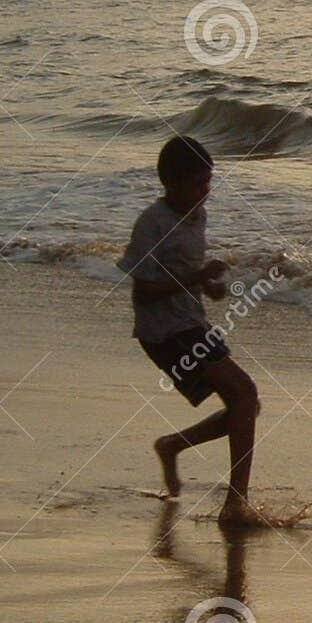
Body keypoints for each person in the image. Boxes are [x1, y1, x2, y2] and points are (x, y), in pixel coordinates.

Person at [118, 136, 264, 527]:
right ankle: (235, 503)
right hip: (165, 331)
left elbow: (185, 278)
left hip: (191, 322)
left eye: (208, 181)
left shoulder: (196, 216)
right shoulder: (153, 223)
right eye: (199, 183)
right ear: (173, 183)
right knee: (245, 395)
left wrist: (208, 286)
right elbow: (145, 290)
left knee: (246, 406)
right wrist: (196, 277)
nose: (206, 191)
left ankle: (171, 446)